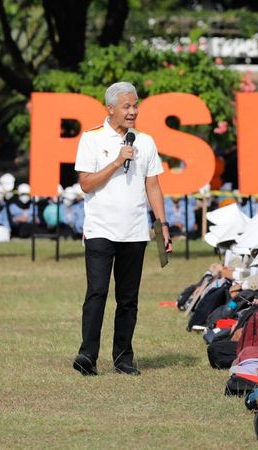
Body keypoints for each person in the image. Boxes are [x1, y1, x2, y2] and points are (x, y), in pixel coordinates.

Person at [72, 81, 172, 377]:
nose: (133, 112)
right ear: (110, 109)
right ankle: (87, 355)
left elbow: (153, 185)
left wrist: (162, 225)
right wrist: (117, 161)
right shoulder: (91, 139)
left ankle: (124, 358)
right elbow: (86, 183)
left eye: (135, 106)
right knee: (97, 292)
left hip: (135, 231)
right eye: (127, 107)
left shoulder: (146, 141)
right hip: (100, 229)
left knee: (128, 298)